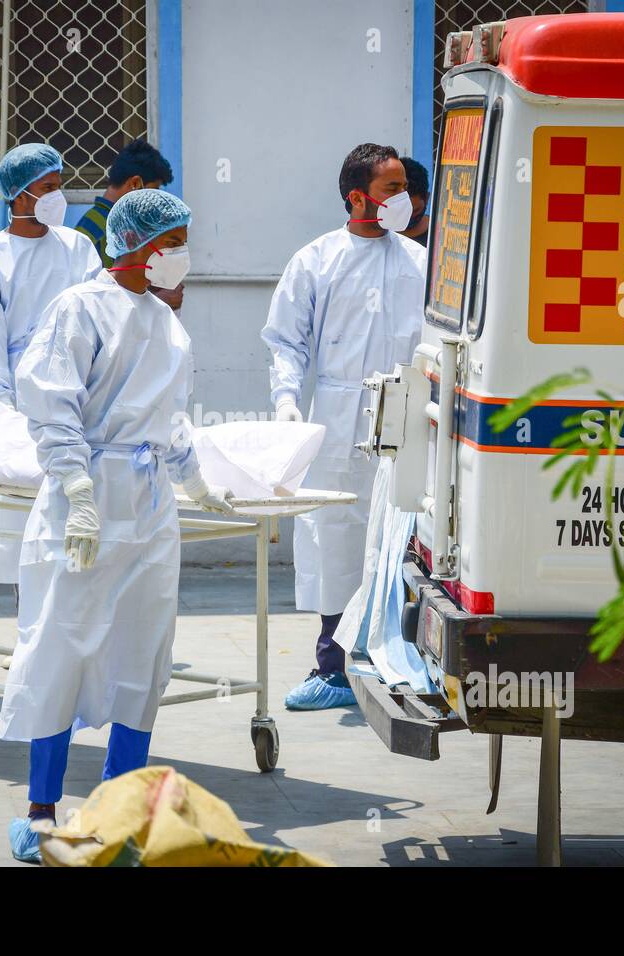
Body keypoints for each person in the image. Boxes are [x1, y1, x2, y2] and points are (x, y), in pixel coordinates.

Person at [1, 189, 233, 863]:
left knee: (144, 654)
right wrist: (75, 489)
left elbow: (170, 422)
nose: (184, 254)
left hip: (151, 508)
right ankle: (41, 811)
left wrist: (195, 484)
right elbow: (50, 406)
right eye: (176, 240)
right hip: (89, 504)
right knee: (60, 647)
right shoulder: (79, 308)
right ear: (138, 246)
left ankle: (119, 811)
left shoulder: (168, 323)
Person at [261, 144, 426, 711]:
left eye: (404, 187)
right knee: (335, 539)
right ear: (357, 197)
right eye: (390, 189)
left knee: (405, 538)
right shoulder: (315, 261)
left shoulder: (420, 262)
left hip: (408, 417)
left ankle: (402, 662)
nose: (403, 199)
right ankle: (333, 670)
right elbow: (286, 341)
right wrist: (286, 402)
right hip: (337, 417)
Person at [0, 143, 101, 598]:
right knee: (28, 526)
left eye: (60, 186)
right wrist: (4, 412)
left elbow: (100, 317)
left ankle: (74, 637)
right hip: (20, 407)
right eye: (48, 188)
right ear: (19, 196)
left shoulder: (78, 249)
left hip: (82, 395)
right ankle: (30, 635)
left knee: (80, 517)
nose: (59, 196)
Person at [75, 138, 185, 311]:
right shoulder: (94, 232)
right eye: (153, 191)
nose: (155, 200)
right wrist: (156, 301)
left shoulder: (136, 226)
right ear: (134, 184)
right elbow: (96, 300)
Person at [401, 156, 431, 246]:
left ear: (426, 198)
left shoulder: (441, 233)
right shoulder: (378, 235)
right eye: (402, 211)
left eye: (414, 211)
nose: (408, 217)